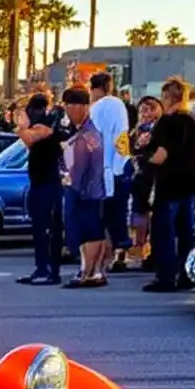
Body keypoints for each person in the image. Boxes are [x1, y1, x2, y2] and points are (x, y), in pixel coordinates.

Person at [144, 77, 195, 293]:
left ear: (168, 97)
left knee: (163, 233)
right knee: (186, 233)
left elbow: (160, 155)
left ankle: (166, 277)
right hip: (188, 182)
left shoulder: (167, 123)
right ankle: (187, 274)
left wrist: (143, 157)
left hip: (168, 184)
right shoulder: (193, 122)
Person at [15, 92, 74, 285]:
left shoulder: (50, 126)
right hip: (39, 183)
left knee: (51, 230)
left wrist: (23, 126)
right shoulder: (41, 126)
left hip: (49, 184)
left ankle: (52, 271)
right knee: (39, 230)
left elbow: (31, 138)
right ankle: (41, 268)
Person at [60, 87, 110, 288]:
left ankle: (88, 271)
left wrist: (71, 183)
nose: (68, 111)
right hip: (89, 189)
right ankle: (93, 271)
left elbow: (79, 166)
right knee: (91, 232)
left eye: (70, 106)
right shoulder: (84, 131)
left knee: (88, 232)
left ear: (80, 107)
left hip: (85, 191)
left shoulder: (88, 134)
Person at [88, 72, 133, 274]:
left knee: (102, 215)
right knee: (119, 213)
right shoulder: (120, 106)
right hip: (121, 164)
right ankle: (120, 250)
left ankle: (105, 253)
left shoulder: (95, 109)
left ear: (95, 89)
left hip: (101, 168)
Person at [129, 96, 163, 270]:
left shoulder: (159, 129)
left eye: (151, 109)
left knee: (152, 214)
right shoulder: (136, 130)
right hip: (140, 175)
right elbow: (130, 149)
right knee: (139, 212)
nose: (147, 113)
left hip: (154, 176)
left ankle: (150, 249)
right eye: (143, 109)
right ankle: (139, 247)